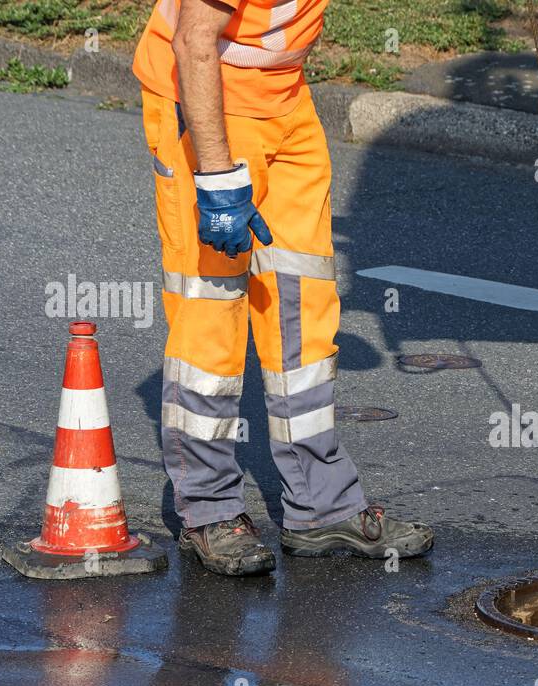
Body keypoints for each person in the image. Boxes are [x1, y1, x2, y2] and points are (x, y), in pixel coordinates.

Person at [132, 0, 433, 576]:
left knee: (302, 304)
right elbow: (195, 41)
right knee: (212, 310)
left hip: (284, 101)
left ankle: (322, 505)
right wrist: (218, 179)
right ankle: (210, 511)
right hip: (204, 101)